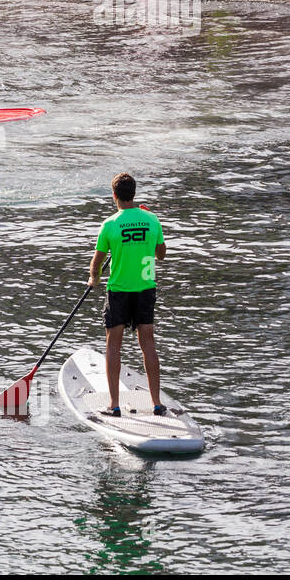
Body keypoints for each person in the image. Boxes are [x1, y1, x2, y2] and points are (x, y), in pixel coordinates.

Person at [88, 172, 167, 418]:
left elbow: (96, 264)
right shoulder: (152, 219)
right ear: (134, 194)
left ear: (114, 196)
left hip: (119, 291)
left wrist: (94, 278)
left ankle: (114, 405)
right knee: (148, 345)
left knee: (113, 346)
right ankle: (156, 403)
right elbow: (161, 254)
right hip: (145, 289)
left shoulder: (110, 224)